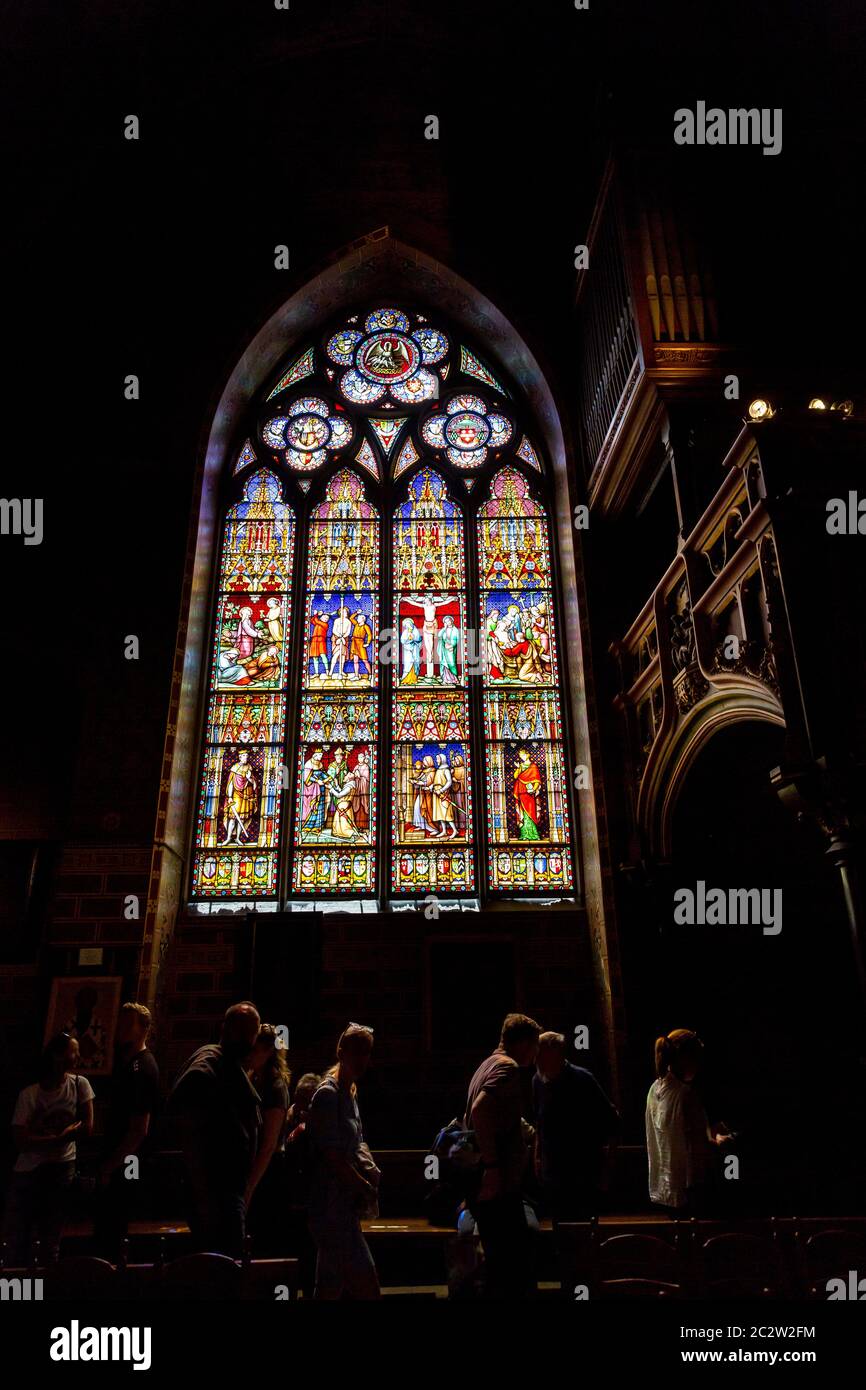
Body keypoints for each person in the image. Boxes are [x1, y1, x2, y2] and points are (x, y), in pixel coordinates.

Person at [169, 1001, 262, 1257]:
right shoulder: (206, 1068)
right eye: (246, 1032)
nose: (250, 1040)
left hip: (229, 1188)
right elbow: (189, 1135)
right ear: (229, 1030)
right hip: (214, 1191)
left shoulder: (229, 1065)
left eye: (252, 1033)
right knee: (221, 1263)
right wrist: (202, 1194)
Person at [464, 1013, 541, 1298]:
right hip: (500, 1186)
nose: (536, 1054)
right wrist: (493, 1166)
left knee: (499, 1263)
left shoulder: (487, 1065)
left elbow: (499, 1115)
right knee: (512, 1266)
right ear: (522, 1043)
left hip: (493, 1185)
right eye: (534, 1045)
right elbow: (480, 1110)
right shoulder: (507, 1068)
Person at [3, 1033, 95, 1265]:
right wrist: (61, 1137)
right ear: (56, 1055)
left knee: (51, 1236)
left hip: (61, 1167)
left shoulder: (79, 1085)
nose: (76, 1057)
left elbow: (87, 1127)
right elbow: (20, 1139)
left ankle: (46, 1288)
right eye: (72, 1051)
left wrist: (42, 1138)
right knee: (19, 1236)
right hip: (30, 1170)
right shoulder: (30, 1094)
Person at [307, 1025, 380, 1299]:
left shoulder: (350, 1093)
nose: (362, 1059)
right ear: (341, 1053)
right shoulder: (328, 1095)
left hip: (341, 1207)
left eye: (366, 1053)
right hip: (329, 1208)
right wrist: (364, 1187)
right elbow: (333, 1157)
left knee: (329, 1287)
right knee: (367, 1285)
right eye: (356, 1052)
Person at [93, 1003, 160, 1260]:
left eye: (127, 1023)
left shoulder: (141, 1069)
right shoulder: (127, 1065)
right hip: (121, 1155)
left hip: (130, 1160)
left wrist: (112, 1165)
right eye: (119, 1022)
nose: (120, 1028)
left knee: (118, 1219)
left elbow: (138, 1129)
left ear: (144, 1029)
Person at [532, 1031, 619, 1223]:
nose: (535, 1059)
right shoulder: (538, 1081)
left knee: (584, 1231)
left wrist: (607, 1169)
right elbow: (539, 1122)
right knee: (560, 1232)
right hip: (553, 1177)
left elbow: (612, 1121)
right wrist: (538, 1157)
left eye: (540, 1053)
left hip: (582, 1176)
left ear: (556, 1054)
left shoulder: (583, 1080)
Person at [645, 1029, 732, 1214]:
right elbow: (699, 1146)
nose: (700, 1065)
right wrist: (721, 1140)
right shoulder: (686, 1095)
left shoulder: (654, 1089)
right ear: (686, 1059)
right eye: (697, 1058)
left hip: (665, 1187)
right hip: (689, 1191)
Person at [245, 1024, 291, 1255]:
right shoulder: (254, 1079)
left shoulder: (275, 1086)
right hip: (258, 1165)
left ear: (268, 1051)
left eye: (254, 1050)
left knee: (265, 1236)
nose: (249, 1055)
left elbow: (269, 1145)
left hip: (268, 1169)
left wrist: (250, 1185)